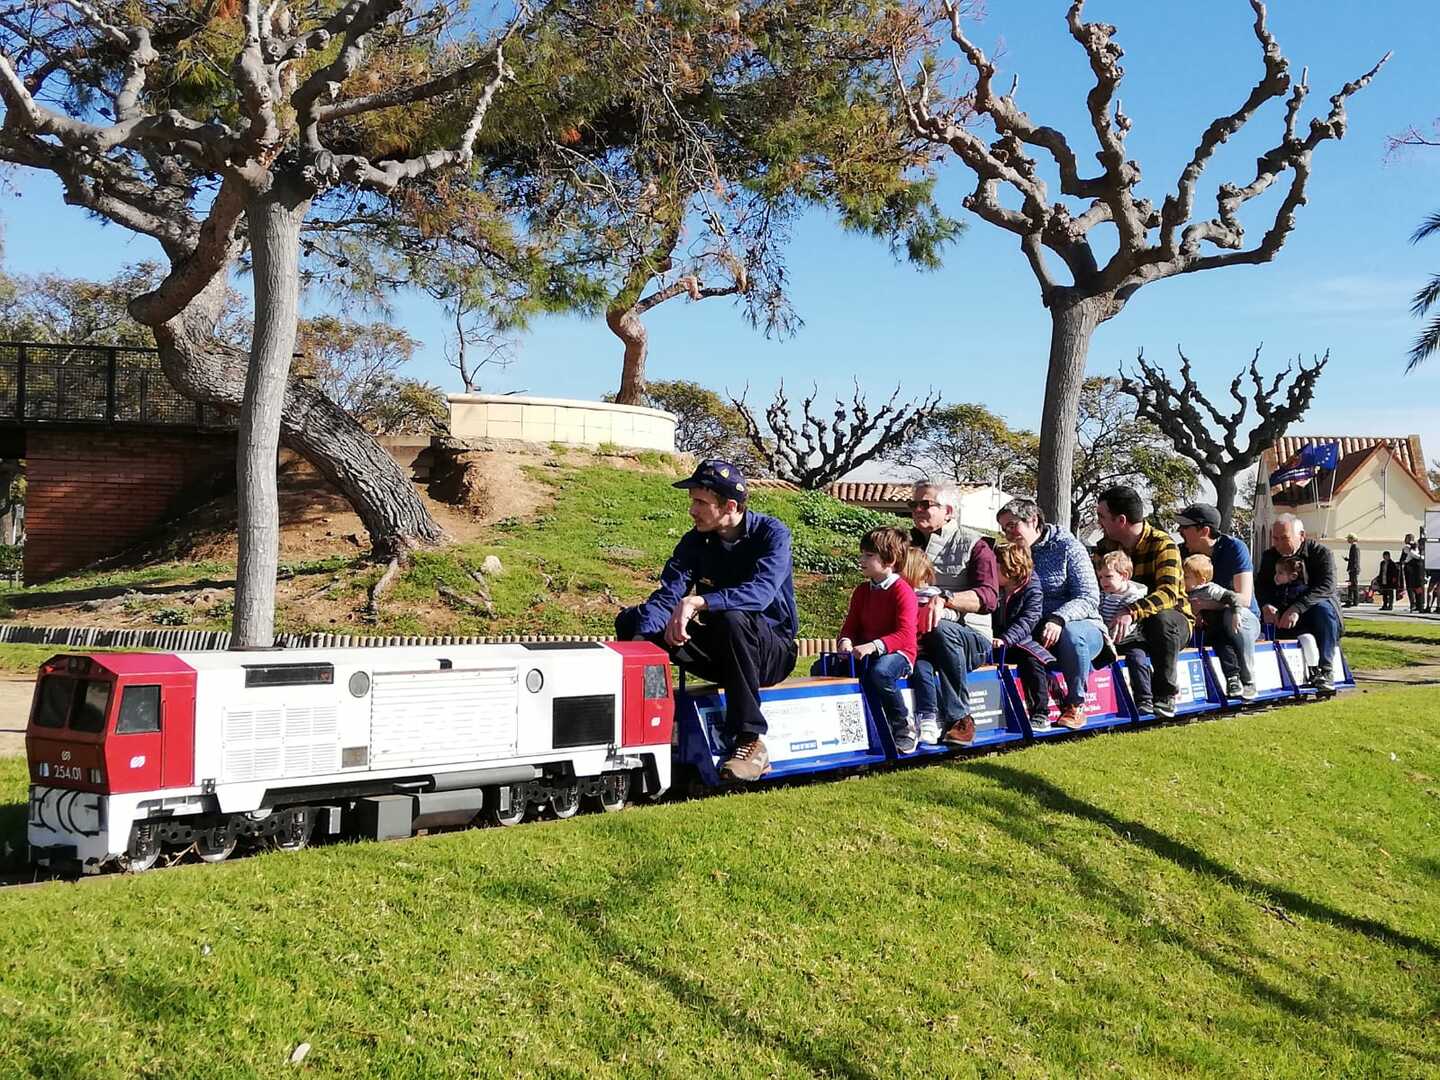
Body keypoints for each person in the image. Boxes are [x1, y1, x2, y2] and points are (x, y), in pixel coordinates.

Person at [615, 459, 798, 782]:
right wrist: (643, 642)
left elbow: (761, 594)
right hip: (721, 651)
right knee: (634, 620)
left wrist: (700, 601)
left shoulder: (772, 534)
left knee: (732, 618)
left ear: (729, 506)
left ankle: (750, 740)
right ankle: (646, 716)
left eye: (701, 502)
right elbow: (668, 595)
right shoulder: (695, 541)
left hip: (770, 654)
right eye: (692, 501)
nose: (692, 510)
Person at [996, 497, 1105, 729]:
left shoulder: (1068, 547)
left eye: (1013, 525)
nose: (1008, 533)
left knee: (1071, 635)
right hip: (1032, 627)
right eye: (1004, 529)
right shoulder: (1011, 553)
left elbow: (1088, 596)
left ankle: (1076, 704)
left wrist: (1059, 618)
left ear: (1033, 520)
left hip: (1079, 625)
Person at [908, 480, 998, 747]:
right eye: (914, 504)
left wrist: (946, 600)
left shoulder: (976, 545)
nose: (917, 510)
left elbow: (988, 597)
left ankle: (961, 719)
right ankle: (917, 722)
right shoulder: (905, 542)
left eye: (925, 504)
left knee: (940, 628)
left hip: (971, 637)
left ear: (948, 511)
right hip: (919, 635)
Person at [1094, 485, 1193, 720]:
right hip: (1123, 627)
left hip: (1170, 623)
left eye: (1102, 516)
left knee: (1162, 620)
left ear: (1121, 520)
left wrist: (1131, 611)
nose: (1099, 523)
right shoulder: (1106, 548)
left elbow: (1168, 593)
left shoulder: (1163, 544)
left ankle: (1165, 693)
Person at [836, 527, 920, 753]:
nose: (861, 560)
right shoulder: (862, 591)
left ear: (889, 560)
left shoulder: (903, 591)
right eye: (862, 554)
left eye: (869, 555)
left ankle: (903, 725)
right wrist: (845, 641)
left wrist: (874, 646)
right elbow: (850, 625)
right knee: (824, 668)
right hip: (866, 652)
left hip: (899, 653)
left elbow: (905, 634)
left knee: (881, 672)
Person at [1176, 503, 1260, 701]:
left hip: (1240, 618)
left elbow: (1244, 598)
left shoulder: (1234, 548)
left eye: (1185, 527)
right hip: (1206, 622)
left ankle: (1248, 680)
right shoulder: (1181, 552)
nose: (1180, 531)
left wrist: (1203, 605)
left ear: (1204, 530)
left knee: (1232, 616)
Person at [1256, 513, 1344, 692]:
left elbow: (1326, 586)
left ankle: (1326, 670)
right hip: (1281, 610)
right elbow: (1261, 586)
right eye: (1275, 538)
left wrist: (1297, 608)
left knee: (1324, 609)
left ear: (1301, 535)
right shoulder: (1269, 556)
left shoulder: (1321, 553)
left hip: (1313, 610)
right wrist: (1266, 605)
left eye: (1284, 538)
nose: (1279, 544)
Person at [992, 542, 1073, 730]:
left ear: (1010, 568)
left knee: (1032, 661)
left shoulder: (1032, 588)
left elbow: (1029, 619)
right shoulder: (993, 587)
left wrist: (1006, 639)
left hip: (1022, 641)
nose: (990, 569)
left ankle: (1041, 713)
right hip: (994, 641)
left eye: (995, 565)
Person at [1095, 549, 1157, 712]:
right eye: (1100, 577)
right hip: (1107, 639)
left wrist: (1112, 636)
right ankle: (1101, 700)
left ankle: (1145, 698)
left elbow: (1130, 625)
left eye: (1108, 576)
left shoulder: (1134, 597)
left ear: (1124, 576)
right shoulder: (1101, 596)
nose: (1103, 581)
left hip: (1130, 639)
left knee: (1137, 659)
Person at [1400, 534, 1425, 613]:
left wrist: (1421, 557)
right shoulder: (1414, 547)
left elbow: (1412, 555)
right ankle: (1418, 605)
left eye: (1406, 538)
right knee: (1416, 587)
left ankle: (1415, 604)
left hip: (1412, 569)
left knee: (1411, 587)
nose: (1405, 540)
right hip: (1416, 569)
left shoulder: (1408, 547)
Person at [1344, 534, 1361, 607]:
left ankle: (1353, 601)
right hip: (1354, 568)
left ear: (1352, 539)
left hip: (1353, 569)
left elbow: (1355, 559)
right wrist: (1348, 559)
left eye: (1348, 538)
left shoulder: (1354, 547)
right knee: (1352, 585)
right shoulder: (1354, 546)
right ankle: (1353, 601)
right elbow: (1353, 559)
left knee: (1353, 585)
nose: (1347, 540)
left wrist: (1352, 568)